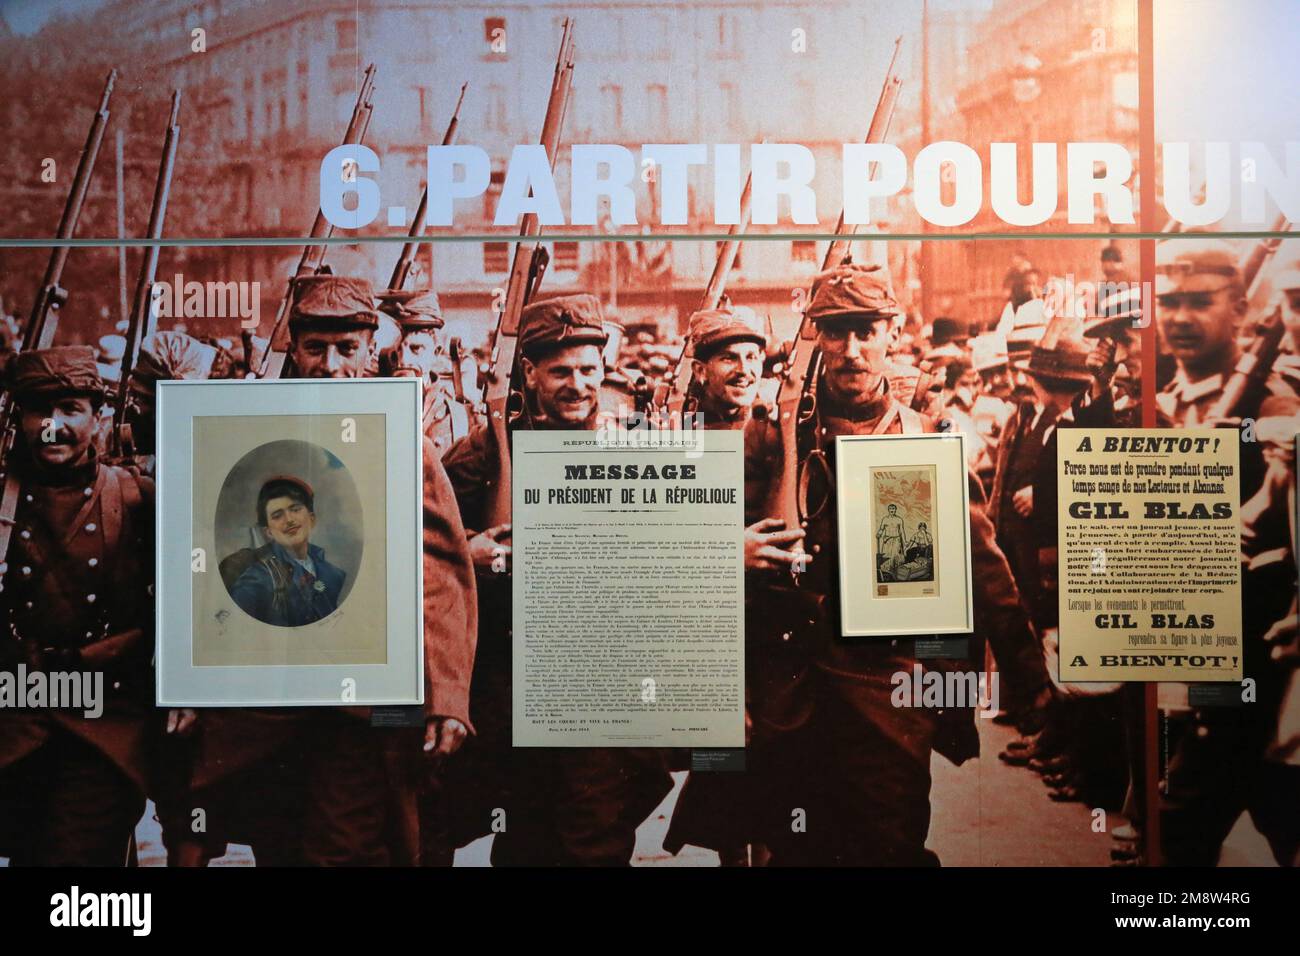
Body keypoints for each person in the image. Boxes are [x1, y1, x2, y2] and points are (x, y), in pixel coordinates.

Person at [164, 275, 477, 866]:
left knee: (344, 849)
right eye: (315, 349)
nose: (330, 366)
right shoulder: (239, 431)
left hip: (359, 705)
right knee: (277, 848)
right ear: (294, 349)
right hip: (264, 705)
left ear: (368, 351)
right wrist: (186, 675)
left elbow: (440, 574)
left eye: (347, 349)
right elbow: (199, 557)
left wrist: (449, 693)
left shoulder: (402, 439)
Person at [737, 263, 1038, 865]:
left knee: (889, 846)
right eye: (836, 332)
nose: (851, 350)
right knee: (795, 853)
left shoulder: (926, 438)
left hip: (888, 699)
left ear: (892, 333)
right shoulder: (770, 438)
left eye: (866, 331)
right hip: (789, 695)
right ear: (816, 337)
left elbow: (986, 569)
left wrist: (1033, 690)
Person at [437, 293, 673, 866]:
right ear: (530, 372)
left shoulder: (634, 449)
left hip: (602, 693)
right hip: (512, 693)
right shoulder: (479, 456)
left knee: (594, 839)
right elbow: (432, 552)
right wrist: (471, 551)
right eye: (561, 371)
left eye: (589, 370)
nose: (577, 385)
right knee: (524, 842)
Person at [0, 347, 155, 865]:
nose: (53, 426)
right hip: (15, 727)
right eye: (38, 410)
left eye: (70, 409)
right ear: (17, 418)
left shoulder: (139, 499)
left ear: (100, 415)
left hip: (103, 727)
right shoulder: (2, 501)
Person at [227, 476, 347, 627]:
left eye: (295, 509)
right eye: (277, 516)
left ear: (312, 519)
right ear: (268, 532)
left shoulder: (331, 574)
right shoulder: (258, 579)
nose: (289, 519)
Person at [376, 287, 472, 455]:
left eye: (416, 349)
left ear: (436, 353)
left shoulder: (457, 415)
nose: (404, 360)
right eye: (395, 350)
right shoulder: (367, 404)